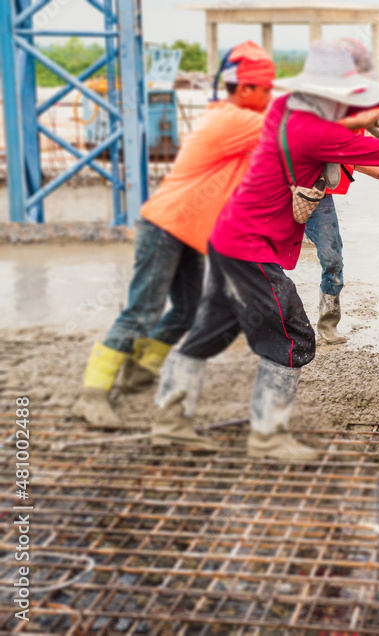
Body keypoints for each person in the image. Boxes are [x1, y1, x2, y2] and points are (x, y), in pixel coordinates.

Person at [149, 39, 379, 460]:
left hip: (228, 239)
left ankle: (168, 417)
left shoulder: (286, 108)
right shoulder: (317, 133)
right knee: (293, 335)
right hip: (250, 251)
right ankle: (269, 436)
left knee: (214, 326)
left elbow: (367, 100)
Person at [71, 42, 276, 429]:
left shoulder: (238, 121)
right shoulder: (231, 119)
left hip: (189, 234)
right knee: (142, 311)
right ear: (245, 89)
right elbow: (289, 129)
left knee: (185, 310)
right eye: (266, 89)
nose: (270, 97)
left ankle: (139, 372)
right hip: (165, 227)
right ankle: (92, 395)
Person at [305, 155, 379, 346]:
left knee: (332, 259)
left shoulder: (327, 134)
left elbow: (359, 157)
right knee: (260, 256)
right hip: (275, 191)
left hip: (316, 195)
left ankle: (328, 323)